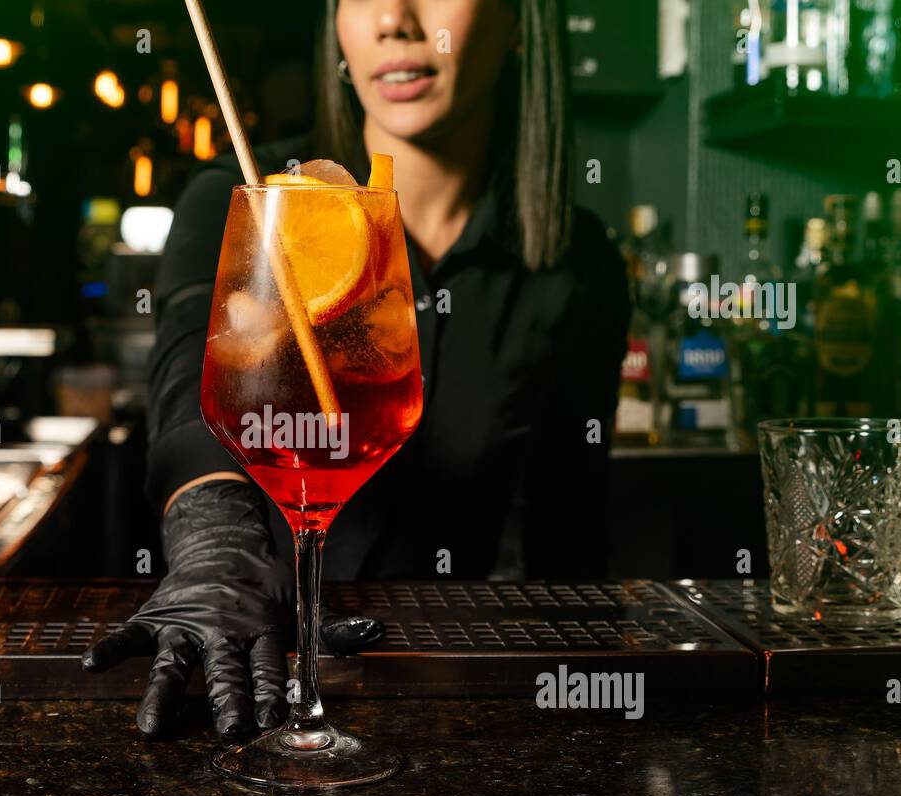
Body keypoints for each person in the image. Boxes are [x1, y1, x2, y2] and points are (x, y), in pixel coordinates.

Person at [82, 0, 630, 741]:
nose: (395, 20)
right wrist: (216, 540)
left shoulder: (578, 264)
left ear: (522, 22)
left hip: (441, 711)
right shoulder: (245, 203)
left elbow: (571, 545)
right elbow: (192, 394)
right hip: (246, 696)